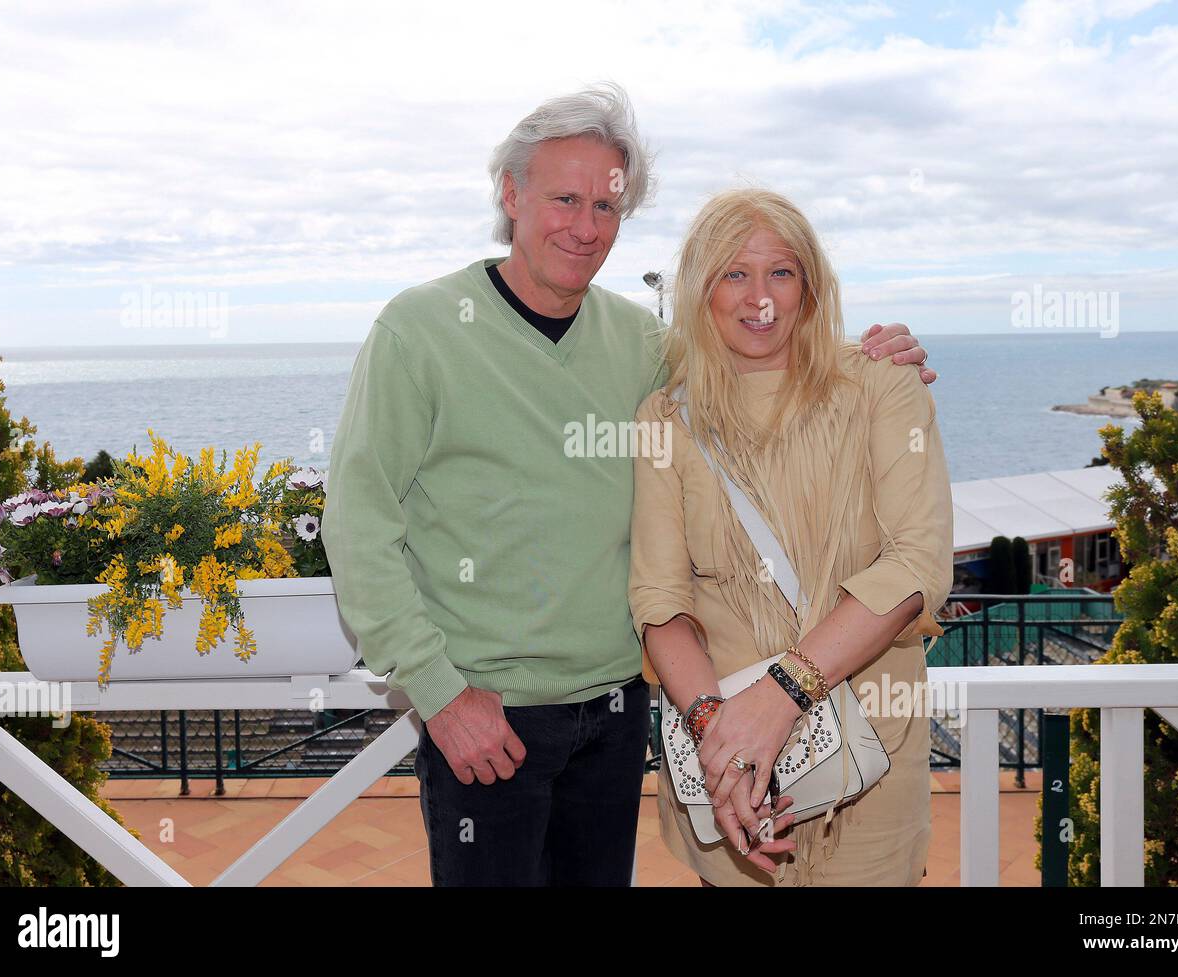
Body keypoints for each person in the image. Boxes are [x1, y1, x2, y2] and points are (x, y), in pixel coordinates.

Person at [322, 83, 936, 887]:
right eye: (564, 199)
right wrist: (438, 693)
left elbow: (757, 336)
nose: (585, 227)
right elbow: (359, 525)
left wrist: (871, 354)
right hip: (486, 719)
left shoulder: (642, 344)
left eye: (606, 207)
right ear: (511, 195)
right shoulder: (421, 332)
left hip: (615, 720)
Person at [629, 187, 954, 887]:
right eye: (733, 274)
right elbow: (661, 602)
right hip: (733, 786)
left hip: (873, 761)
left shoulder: (881, 388)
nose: (761, 298)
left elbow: (917, 562)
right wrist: (724, 737)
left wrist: (777, 701)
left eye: (781, 271)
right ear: (698, 289)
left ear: (810, 285)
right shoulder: (665, 419)